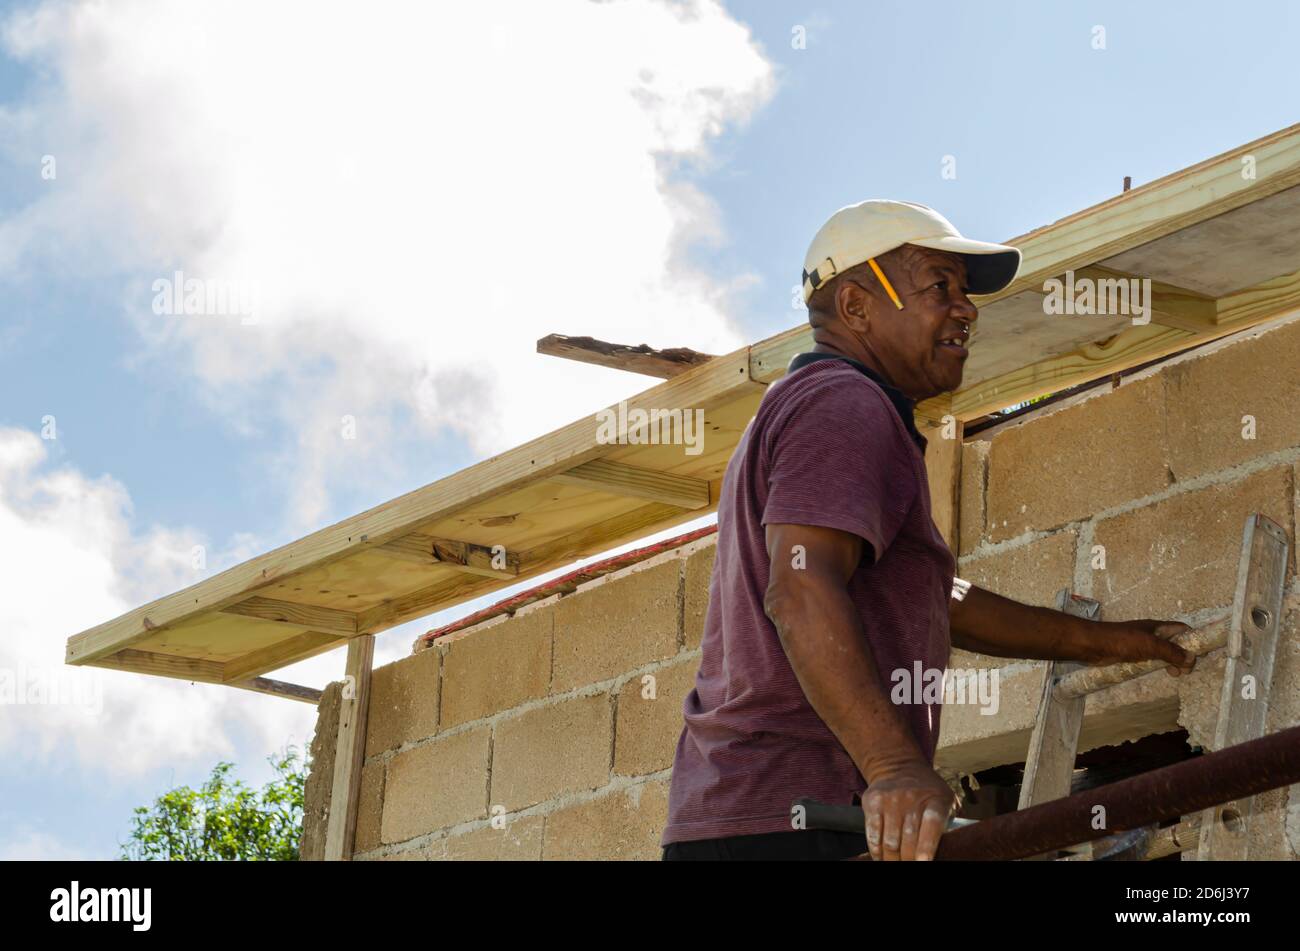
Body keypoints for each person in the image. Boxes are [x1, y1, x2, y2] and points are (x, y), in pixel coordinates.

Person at [661, 200, 1194, 861]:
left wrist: (1111, 641)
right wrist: (892, 765)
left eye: (964, 293)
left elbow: (941, 600)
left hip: (758, 817)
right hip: (798, 821)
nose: (965, 309)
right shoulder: (844, 402)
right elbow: (799, 589)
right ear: (857, 306)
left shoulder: (823, 407)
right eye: (939, 286)